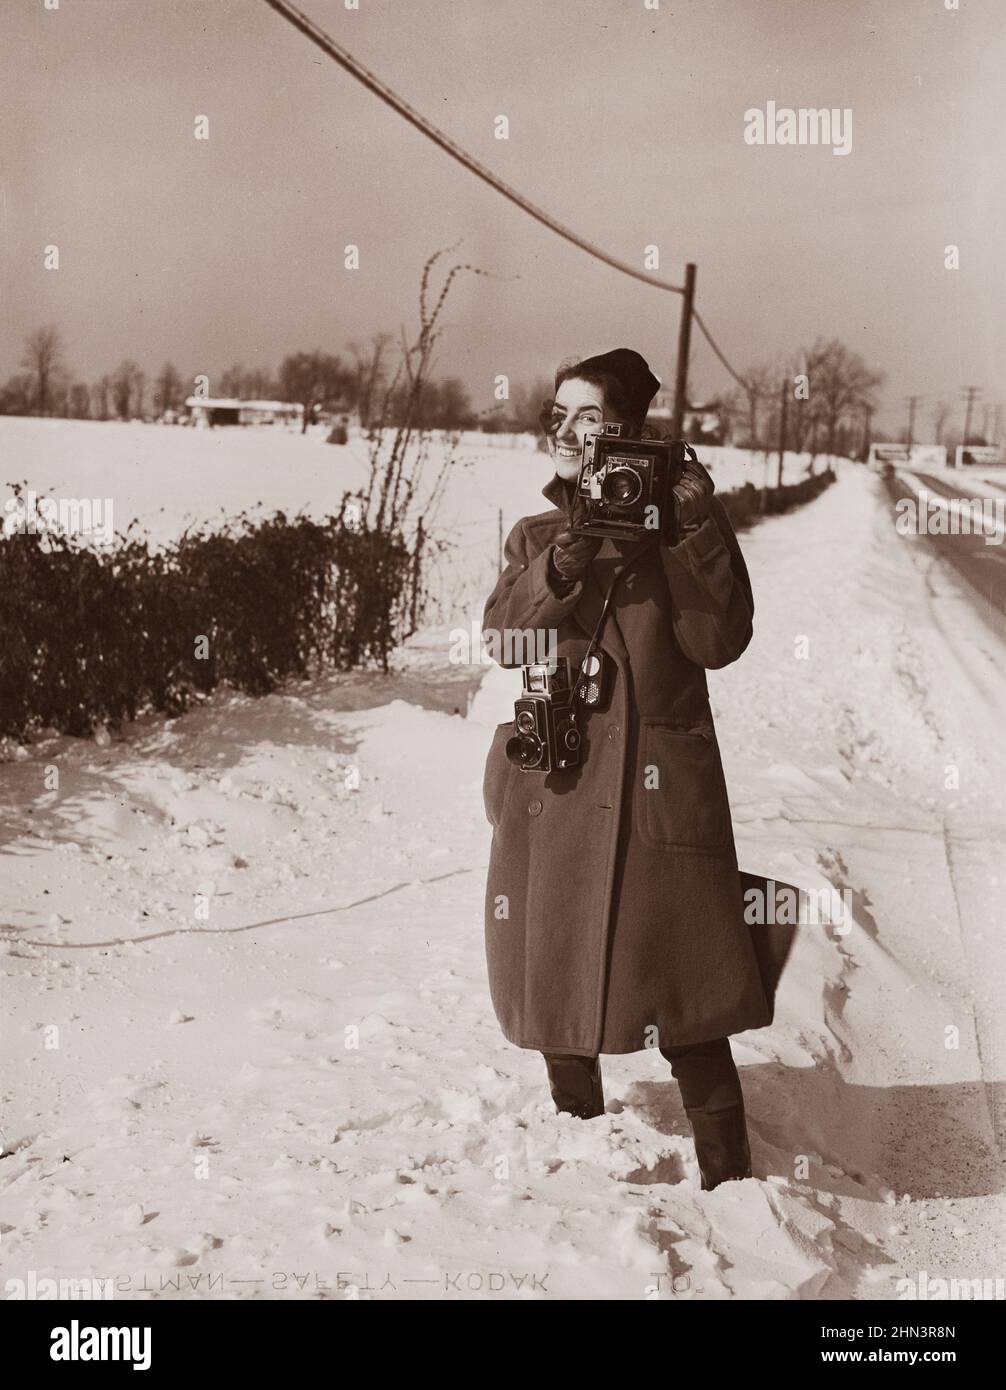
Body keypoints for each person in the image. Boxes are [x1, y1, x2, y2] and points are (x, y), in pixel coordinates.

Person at [480, 347, 771, 1191]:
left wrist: (693, 530)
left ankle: (734, 1177)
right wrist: (563, 564)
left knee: (686, 978)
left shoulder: (682, 531)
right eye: (557, 416)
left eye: (588, 419)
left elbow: (719, 642)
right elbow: (505, 640)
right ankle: (580, 1145)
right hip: (559, 785)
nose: (566, 433)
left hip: (654, 790)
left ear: (631, 436)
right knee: (558, 963)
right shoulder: (538, 536)